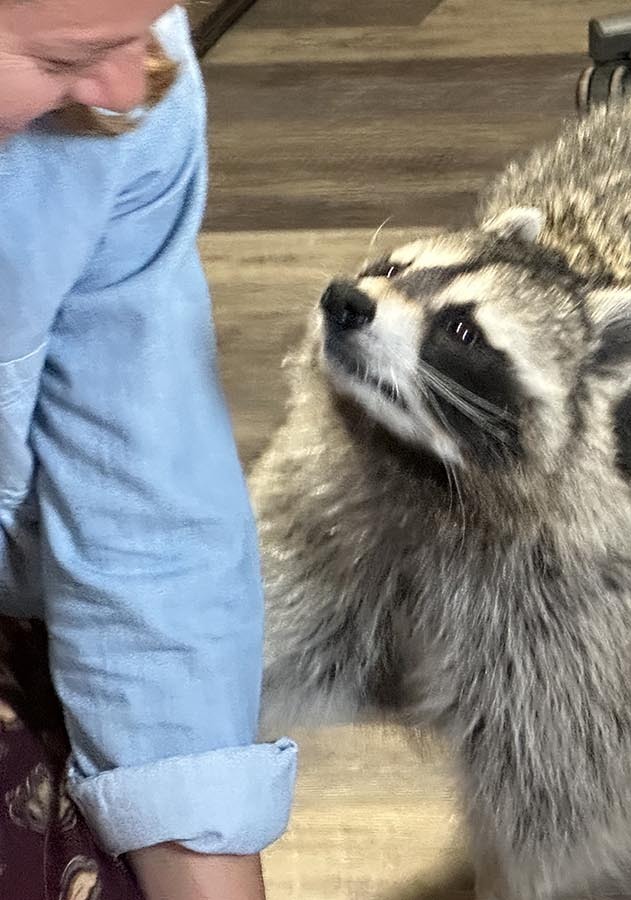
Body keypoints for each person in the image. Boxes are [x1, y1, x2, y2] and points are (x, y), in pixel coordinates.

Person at [0, 2, 298, 899]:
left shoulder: (129, 93)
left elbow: (143, 507)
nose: (134, 83)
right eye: (64, 56)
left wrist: (202, 848)